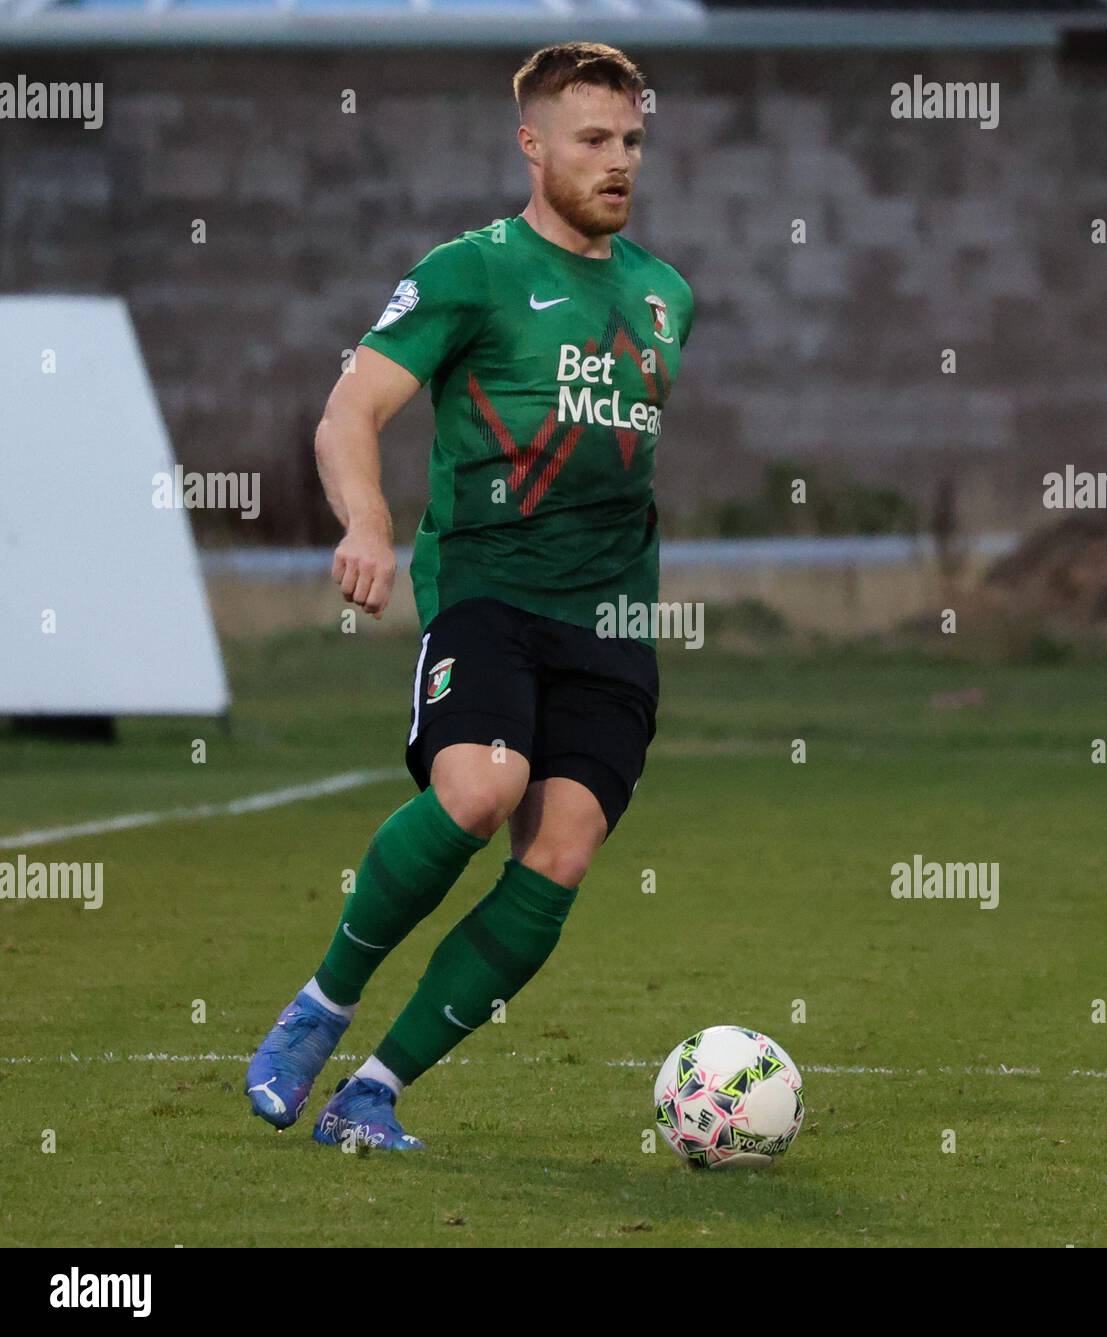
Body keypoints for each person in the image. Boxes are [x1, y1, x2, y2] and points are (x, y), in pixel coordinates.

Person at [244, 41, 694, 1150]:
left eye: (631, 139)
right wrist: (367, 521)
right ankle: (323, 1003)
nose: (618, 160)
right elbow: (349, 412)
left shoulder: (664, 295)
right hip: (489, 593)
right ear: (531, 145)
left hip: (614, 618)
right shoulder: (469, 271)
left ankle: (375, 1089)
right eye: (592, 139)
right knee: (483, 787)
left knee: (561, 852)